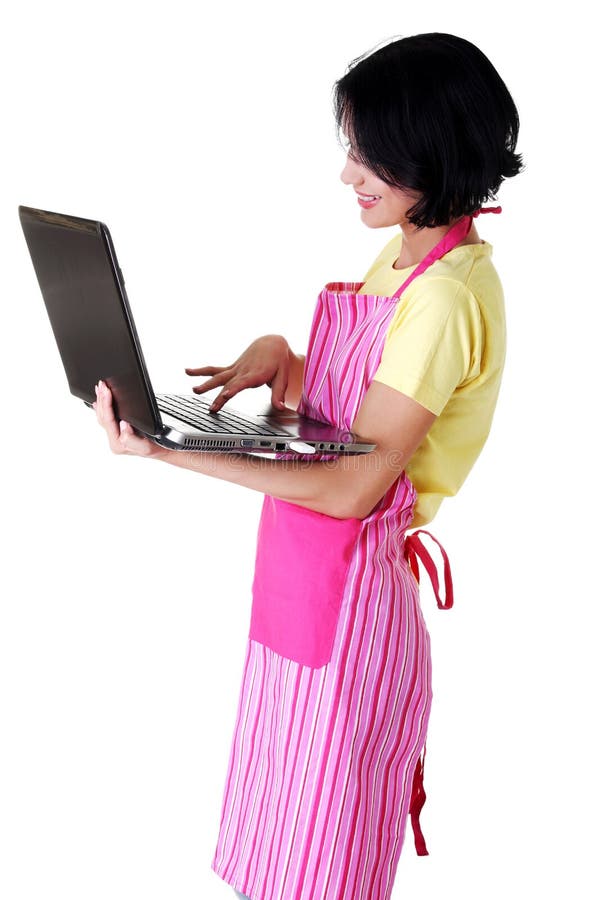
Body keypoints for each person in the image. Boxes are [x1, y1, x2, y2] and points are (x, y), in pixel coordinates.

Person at [93, 31, 523, 900]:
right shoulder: (403, 255)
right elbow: (335, 428)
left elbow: (353, 486)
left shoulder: (443, 297)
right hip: (300, 596)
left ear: (428, 151)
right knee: (278, 856)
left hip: (352, 608)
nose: (348, 175)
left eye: (368, 154)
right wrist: (285, 359)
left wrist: (172, 450)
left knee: (323, 871)